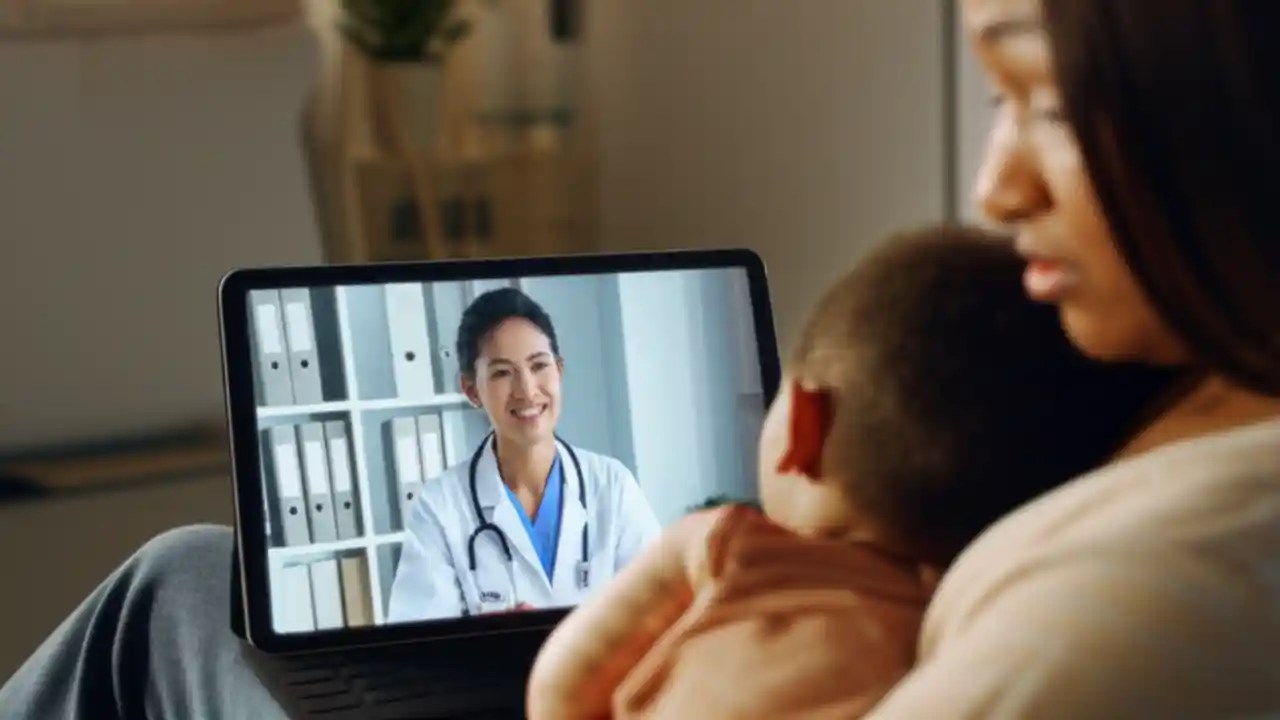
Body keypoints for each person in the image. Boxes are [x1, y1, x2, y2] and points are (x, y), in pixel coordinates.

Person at [4, 2, 1280, 717]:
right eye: (504, 375)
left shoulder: (1135, 601)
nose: (993, 185)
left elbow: (579, 664)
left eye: (1039, 99)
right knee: (192, 579)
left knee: (171, 593)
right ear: (470, 391)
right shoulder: (447, 507)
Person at [524, 226, 1178, 718]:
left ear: (805, 426)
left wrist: (682, 552)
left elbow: (557, 694)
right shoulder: (967, 628)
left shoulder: (728, 546)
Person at [864, 1, 1280, 716]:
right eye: (1001, 98)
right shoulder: (1199, 371)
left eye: (1053, 106)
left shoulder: (1147, 591)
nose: (996, 192)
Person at [386, 287, 661, 621]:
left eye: (539, 365)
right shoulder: (440, 507)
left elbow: (662, 619)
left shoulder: (613, 487)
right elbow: (416, 650)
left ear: (559, 370)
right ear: (472, 390)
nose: (527, 390)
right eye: (502, 372)